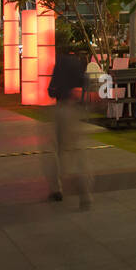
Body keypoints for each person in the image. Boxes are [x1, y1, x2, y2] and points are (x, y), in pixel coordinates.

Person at [46, 46, 93, 209]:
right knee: (78, 152)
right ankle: (85, 192)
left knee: (57, 152)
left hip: (61, 110)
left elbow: (51, 90)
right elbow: (85, 83)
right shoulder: (78, 63)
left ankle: (56, 188)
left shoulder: (59, 63)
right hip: (75, 111)